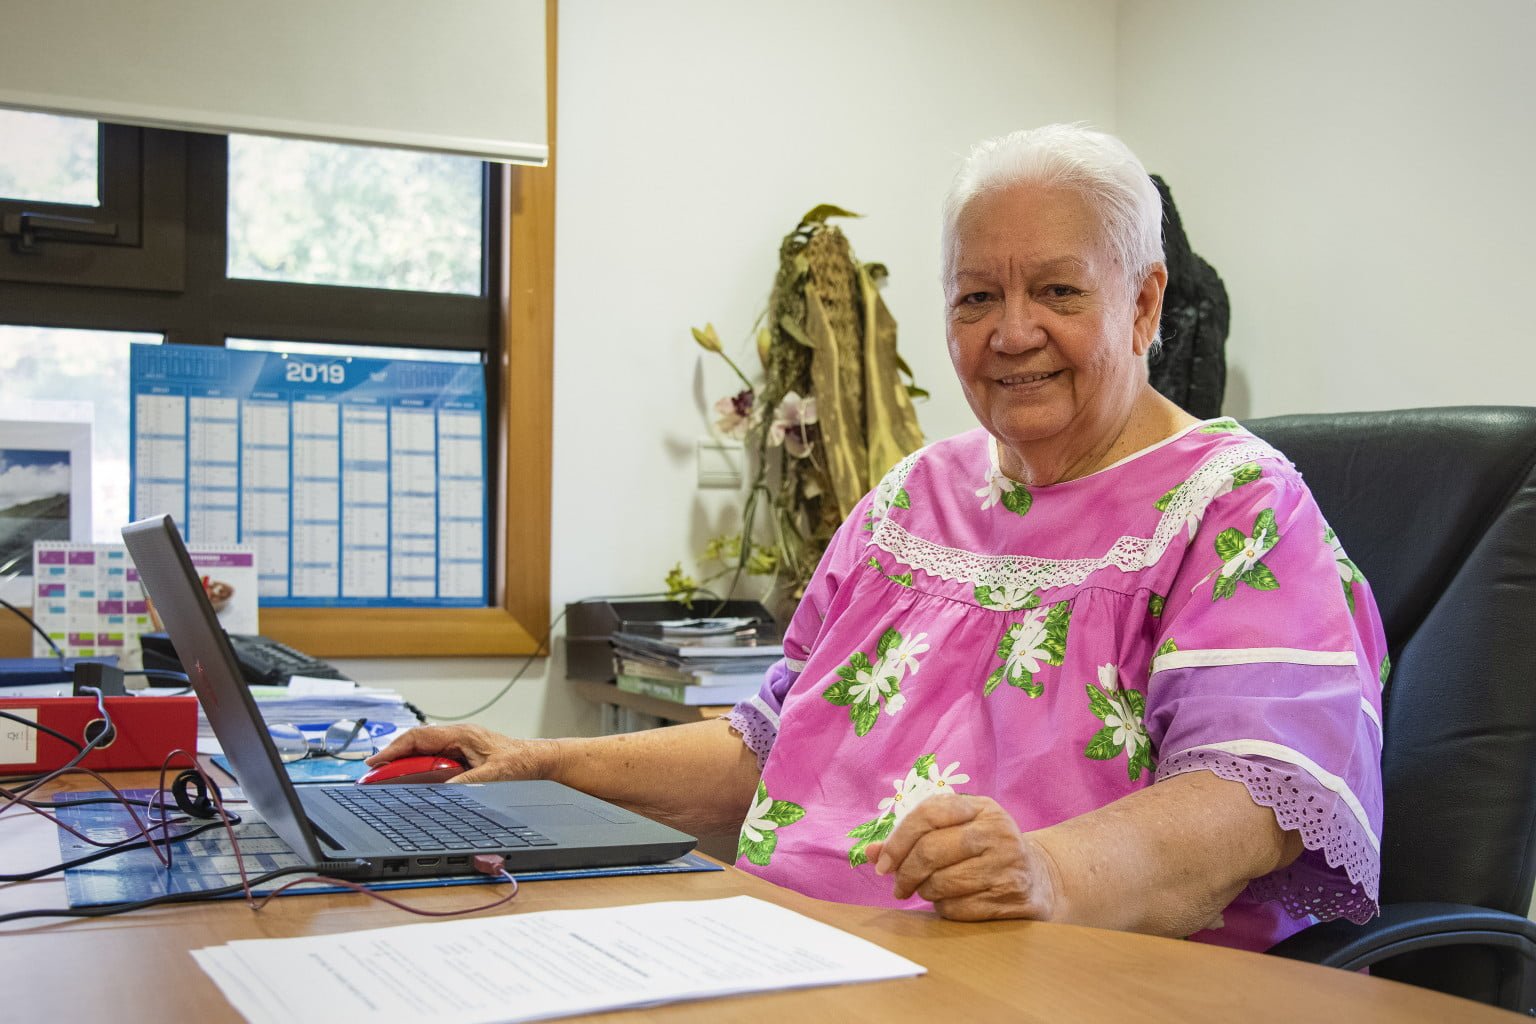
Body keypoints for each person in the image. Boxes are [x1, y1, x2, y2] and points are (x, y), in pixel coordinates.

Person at [370, 124, 1385, 953]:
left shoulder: (1234, 504)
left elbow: (1247, 803)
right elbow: (762, 750)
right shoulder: (913, 499)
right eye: (977, 295)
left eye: (1059, 292)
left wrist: (1043, 874)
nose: (1012, 331)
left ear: (1144, 300)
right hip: (792, 951)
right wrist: (545, 765)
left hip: (1045, 976)